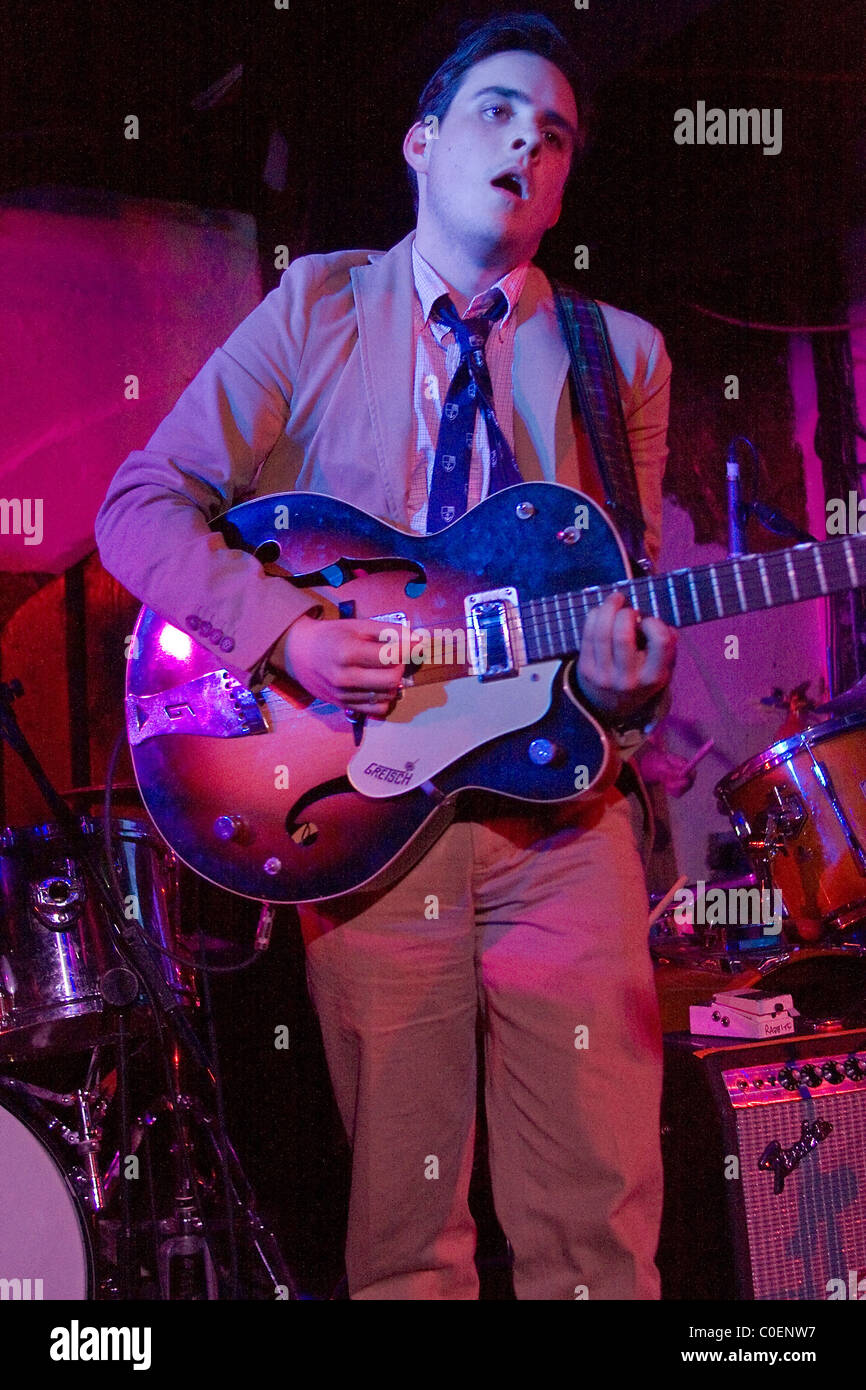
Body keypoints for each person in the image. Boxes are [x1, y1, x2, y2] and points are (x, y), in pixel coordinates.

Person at [96, 12, 677, 1300]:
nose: (531, 134)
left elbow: (612, 616)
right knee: (410, 1243)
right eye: (498, 109)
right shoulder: (315, 305)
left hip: (563, 823)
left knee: (598, 1225)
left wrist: (631, 685)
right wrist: (289, 633)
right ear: (422, 143)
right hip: (365, 813)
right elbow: (137, 509)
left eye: (559, 131)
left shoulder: (618, 357)